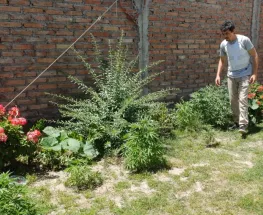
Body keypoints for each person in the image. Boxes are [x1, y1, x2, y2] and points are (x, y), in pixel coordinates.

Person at [215, 20, 258, 134]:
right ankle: (236, 122)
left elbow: (254, 55)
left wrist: (254, 73)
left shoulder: (244, 40)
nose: (225, 36)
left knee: (242, 98)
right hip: (231, 74)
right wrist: (218, 75)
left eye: (227, 33)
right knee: (233, 100)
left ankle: (243, 125)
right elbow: (222, 60)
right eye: (223, 34)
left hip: (244, 73)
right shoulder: (224, 44)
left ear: (233, 31)